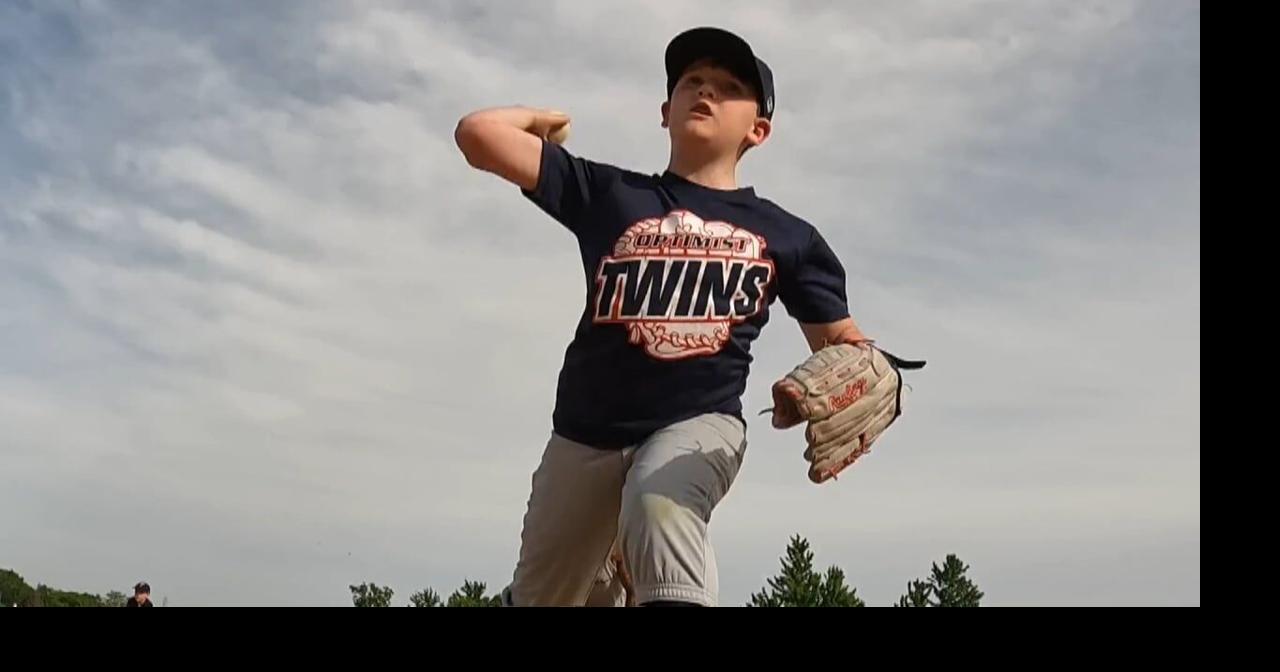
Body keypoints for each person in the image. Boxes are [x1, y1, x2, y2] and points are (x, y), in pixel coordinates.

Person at [455, 26, 869, 607]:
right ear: (665, 110)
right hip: (585, 433)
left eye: (728, 87)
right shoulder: (612, 194)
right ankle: (605, 576)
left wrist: (866, 364)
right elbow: (478, 136)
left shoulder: (787, 236)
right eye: (691, 82)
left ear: (759, 129)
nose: (705, 91)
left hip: (700, 423)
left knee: (658, 500)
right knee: (543, 597)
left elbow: (840, 343)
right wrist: (541, 119)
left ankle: (632, 564)